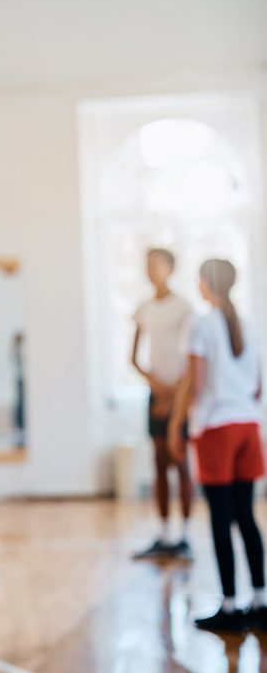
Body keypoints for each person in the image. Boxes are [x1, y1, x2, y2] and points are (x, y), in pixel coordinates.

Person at [169, 259, 263, 633]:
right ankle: (260, 600)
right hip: (248, 425)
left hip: (216, 429)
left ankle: (228, 606)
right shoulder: (252, 327)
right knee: (247, 517)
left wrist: (176, 424)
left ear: (208, 282)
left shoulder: (202, 324)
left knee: (222, 521)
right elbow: (258, 386)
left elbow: (194, 382)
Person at [131, 248, 194, 561]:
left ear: (170, 268)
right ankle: (164, 534)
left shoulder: (183, 308)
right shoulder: (144, 308)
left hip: (178, 395)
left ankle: (185, 535)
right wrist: (158, 389)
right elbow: (134, 358)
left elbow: (190, 359)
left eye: (154, 264)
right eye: (146, 264)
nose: (149, 270)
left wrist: (174, 397)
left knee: (181, 462)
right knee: (158, 465)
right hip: (157, 395)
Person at [12, 332, 26, 448]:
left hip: (23, 380)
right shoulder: (18, 351)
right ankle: (20, 430)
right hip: (21, 379)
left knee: (23, 405)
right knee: (20, 405)